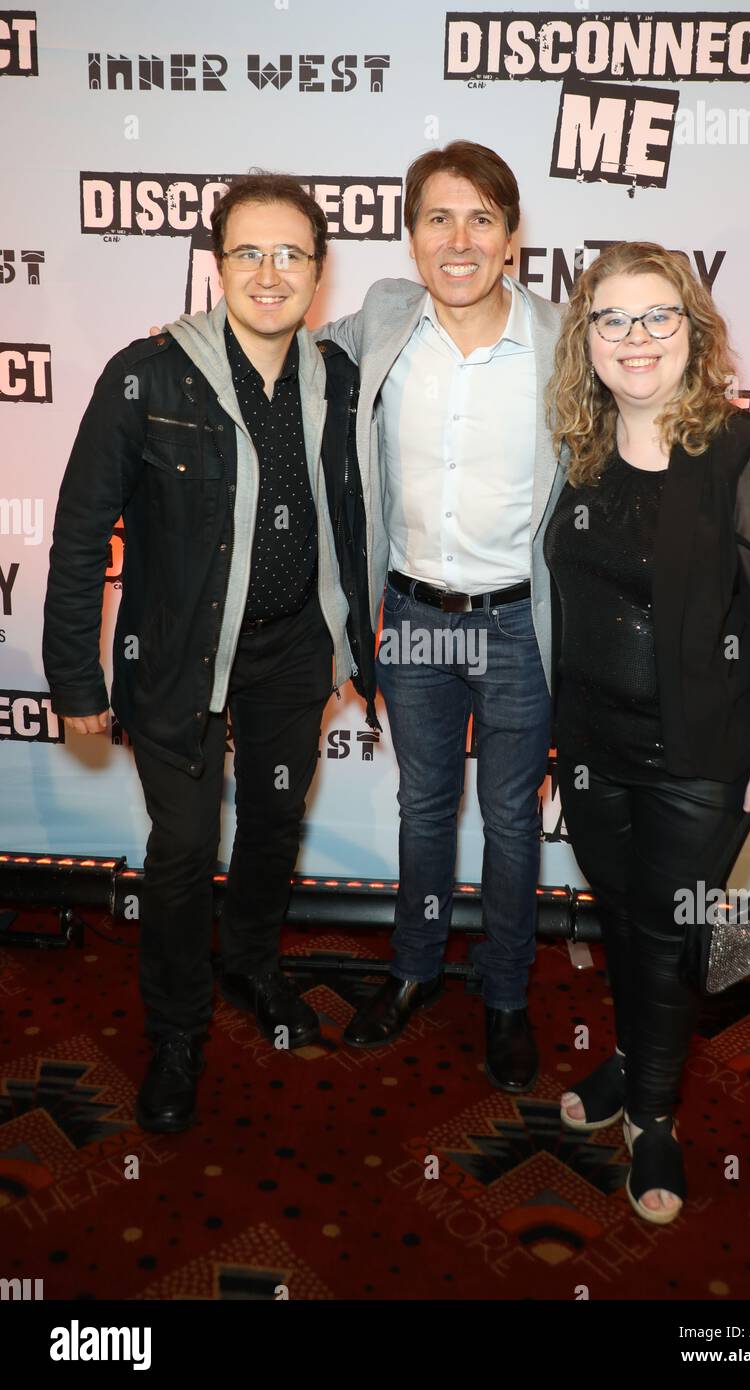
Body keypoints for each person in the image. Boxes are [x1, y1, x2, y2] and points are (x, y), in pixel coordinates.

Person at [43, 173, 376, 1135]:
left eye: (292, 254)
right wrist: (76, 676)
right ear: (215, 264)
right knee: (184, 850)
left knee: (274, 825)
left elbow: (354, 520)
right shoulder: (145, 373)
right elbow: (77, 536)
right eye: (248, 252)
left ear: (319, 269)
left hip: (292, 656)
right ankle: (178, 1032)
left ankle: (253, 964)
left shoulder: (336, 380)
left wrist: (357, 639)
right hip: (183, 656)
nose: (270, 273)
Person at [543, 241, 750, 1222]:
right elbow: (570, 611)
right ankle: (628, 1061)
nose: (634, 338)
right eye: (610, 319)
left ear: (692, 331)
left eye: (656, 315)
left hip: (697, 757)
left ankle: (653, 1116)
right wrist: (550, 748)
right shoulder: (580, 452)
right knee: (620, 917)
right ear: (585, 339)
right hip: (586, 748)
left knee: (666, 933)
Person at [318, 141, 566, 1091]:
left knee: (509, 820)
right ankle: (415, 973)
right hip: (414, 617)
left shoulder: (561, 336)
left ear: (511, 238)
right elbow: (282, 345)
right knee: (422, 808)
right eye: (438, 218)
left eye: (482, 219)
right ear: (410, 234)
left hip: (517, 625)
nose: (458, 240)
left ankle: (505, 995)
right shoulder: (382, 317)